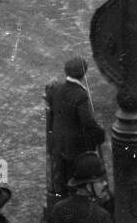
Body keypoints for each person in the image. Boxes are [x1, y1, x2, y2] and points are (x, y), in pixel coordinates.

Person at [44, 57, 107, 207]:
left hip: (59, 143)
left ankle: (63, 202)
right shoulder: (81, 94)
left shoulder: (57, 89)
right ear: (83, 74)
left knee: (63, 175)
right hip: (75, 146)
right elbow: (87, 121)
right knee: (76, 176)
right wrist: (100, 133)